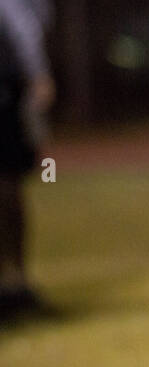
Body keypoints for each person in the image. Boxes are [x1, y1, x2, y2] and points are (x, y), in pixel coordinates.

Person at [0, 0, 52, 317]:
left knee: (10, 183)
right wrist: (38, 73)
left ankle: (14, 281)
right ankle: (14, 281)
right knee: (8, 182)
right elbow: (23, 26)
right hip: (6, 90)